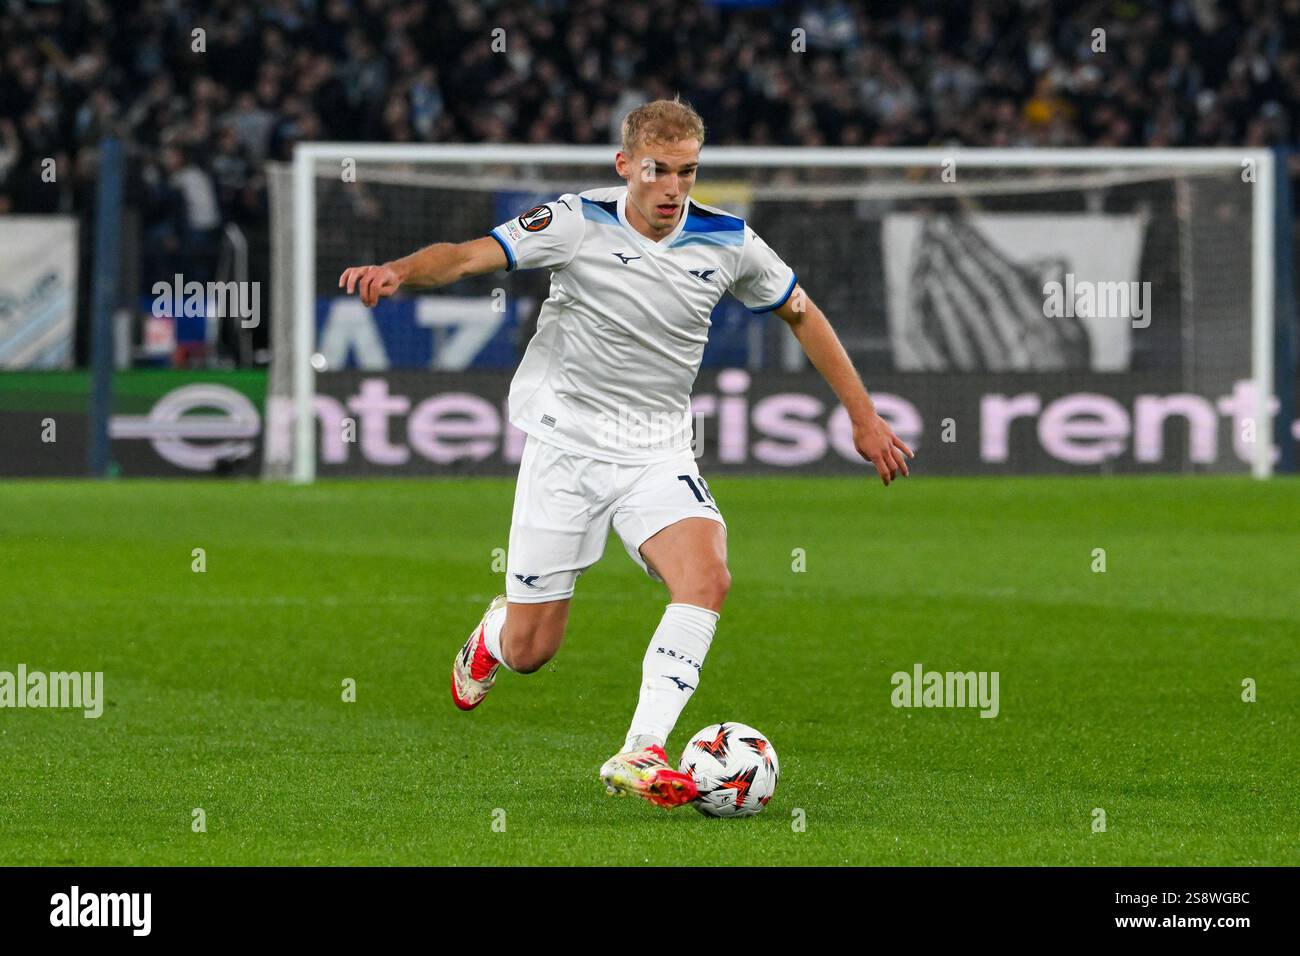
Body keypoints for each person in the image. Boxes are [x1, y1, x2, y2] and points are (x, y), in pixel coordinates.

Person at [338, 98, 912, 808]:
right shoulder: (576, 222)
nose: (674, 188)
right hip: (566, 448)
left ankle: (641, 751)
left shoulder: (728, 241)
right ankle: (494, 631)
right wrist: (398, 270)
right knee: (531, 651)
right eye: (659, 171)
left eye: (688, 172)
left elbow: (801, 311)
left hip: (656, 449)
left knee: (708, 577)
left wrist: (864, 418)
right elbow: (464, 257)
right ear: (625, 166)